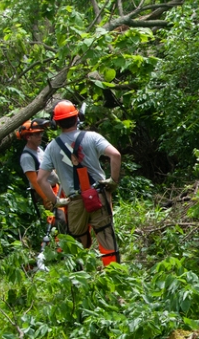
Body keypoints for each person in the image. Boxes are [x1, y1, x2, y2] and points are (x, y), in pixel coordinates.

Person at [36, 100, 122, 267]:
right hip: (98, 195)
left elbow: (41, 179)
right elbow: (115, 155)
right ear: (77, 118)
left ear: (56, 123)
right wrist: (113, 180)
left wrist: (56, 201)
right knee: (106, 234)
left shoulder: (52, 148)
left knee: (77, 241)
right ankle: (114, 275)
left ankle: (81, 279)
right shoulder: (92, 137)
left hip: (74, 201)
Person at [14, 118, 65, 234]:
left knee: (67, 216)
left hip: (54, 188)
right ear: (28, 137)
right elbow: (34, 180)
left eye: (40, 133)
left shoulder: (38, 150)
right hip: (44, 192)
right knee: (58, 221)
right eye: (36, 134)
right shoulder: (27, 156)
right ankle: (56, 248)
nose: (40, 136)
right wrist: (46, 198)